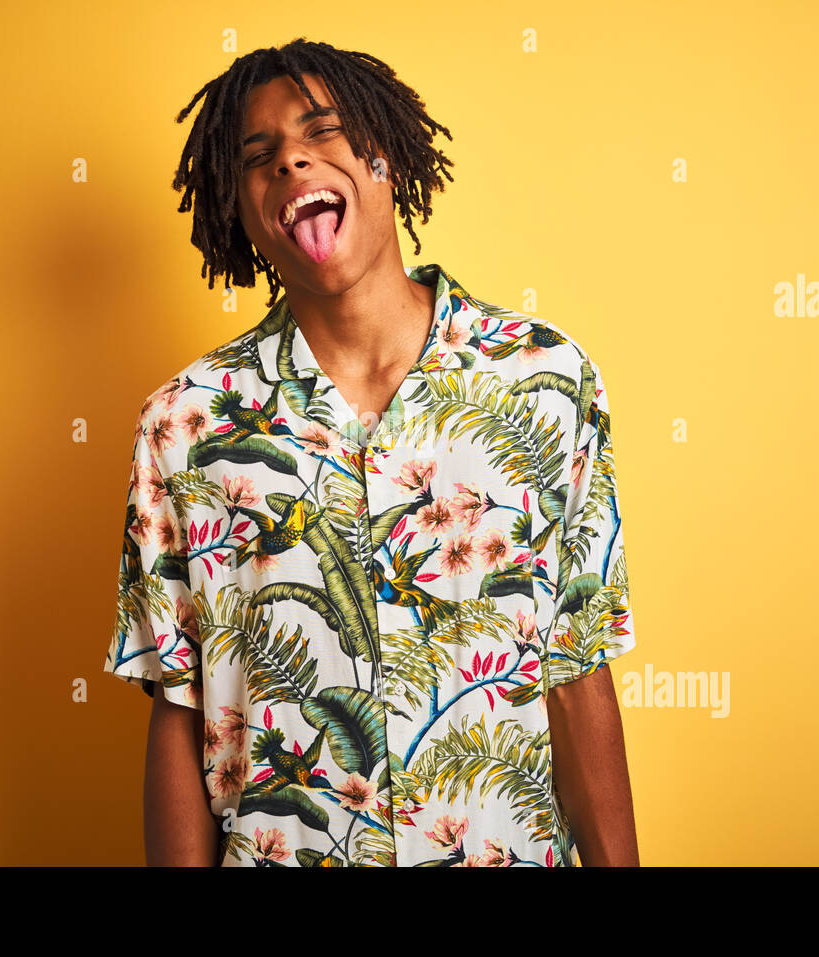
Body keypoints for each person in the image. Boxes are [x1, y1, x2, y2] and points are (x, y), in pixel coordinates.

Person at [104, 37, 639, 867]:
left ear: (385, 155)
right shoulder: (185, 425)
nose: (291, 161)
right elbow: (181, 709)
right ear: (237, 209)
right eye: (258, 156)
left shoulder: (545, 380)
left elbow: (577, 671)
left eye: (322, 129)